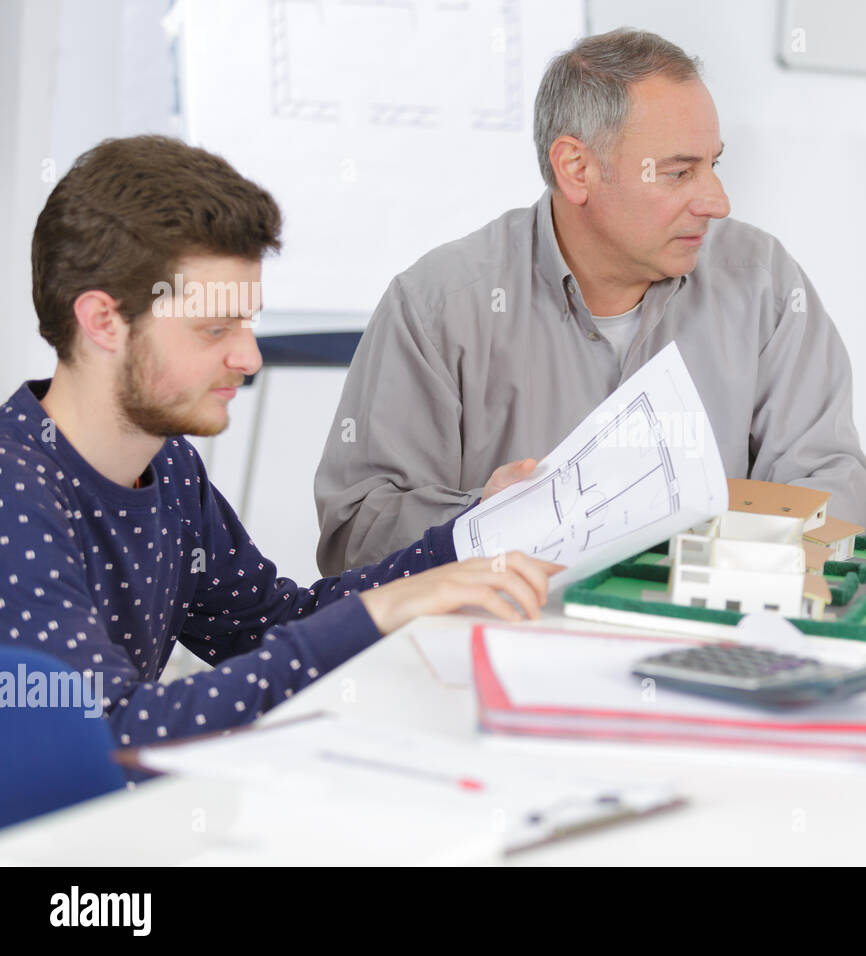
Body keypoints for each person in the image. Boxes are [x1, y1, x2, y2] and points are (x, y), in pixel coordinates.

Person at [1, 135, 557, 746]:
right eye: (215, 329)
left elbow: (272, 626)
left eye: (248, 322)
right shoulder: (15, 489)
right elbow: (111, 731)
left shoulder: (171, 468)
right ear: (103, 321)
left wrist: (465, 538)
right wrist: (379, 612)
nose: (248, 356)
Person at [313, 28, 866, 575]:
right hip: (499, 642)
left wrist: (744, 568)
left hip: (704, 633)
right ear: (577, 169)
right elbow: (355, 534)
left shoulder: (763, 283)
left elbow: (830, 477)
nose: (718, 201)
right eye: (680, 172)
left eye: (715, 164)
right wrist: (481, 522)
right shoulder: (438, 307)